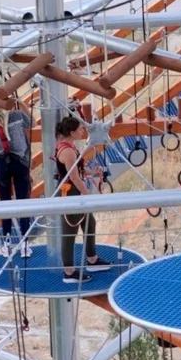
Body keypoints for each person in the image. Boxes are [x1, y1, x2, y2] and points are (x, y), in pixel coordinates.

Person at [53, 115, 114, 283]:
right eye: (80, 129)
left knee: (89, 222)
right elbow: (74, 177)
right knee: (69, 231)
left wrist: (93, 172)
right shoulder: (68, 151)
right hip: (70, 193)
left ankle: (92, 259)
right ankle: (69, 271)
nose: (83, 131)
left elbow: (77, 171)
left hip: (73, 191)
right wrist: (86, 193)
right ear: (72, 132)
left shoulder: (69, 147)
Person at [0, 94, 33, 248]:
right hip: (20, 162)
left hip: (2, 163)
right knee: (23, 202)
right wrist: (21, 103)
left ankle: (6, 242)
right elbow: (31, 122)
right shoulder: (19, 116)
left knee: (5, 203)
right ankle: (25, 243)